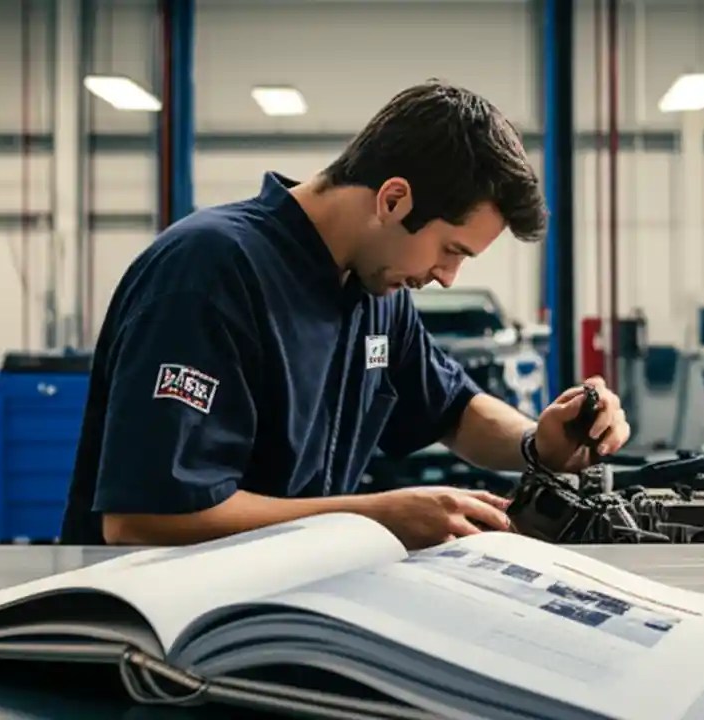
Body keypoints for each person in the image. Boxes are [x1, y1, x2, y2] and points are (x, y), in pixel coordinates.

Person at [59, 80, 631, 550]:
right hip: (154, 637)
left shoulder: (377, 296)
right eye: (451, 250)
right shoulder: (208, 272)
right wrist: (374, 517)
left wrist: (540, 444)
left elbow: (452, 409)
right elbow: (142, 520)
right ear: (393, 200)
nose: (447, 278)